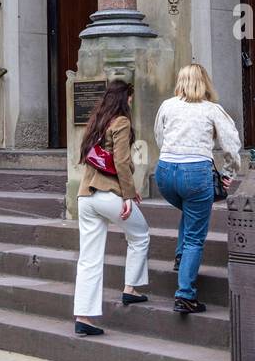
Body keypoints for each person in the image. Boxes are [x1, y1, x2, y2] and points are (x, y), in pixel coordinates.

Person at [155, 63, 241, 315]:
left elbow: (159, 137)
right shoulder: (212, 110)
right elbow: (232, 146)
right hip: (196, 173)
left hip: (165, 172)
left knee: (190, 213)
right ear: (205, 82)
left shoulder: (167, 106)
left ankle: (182, 256)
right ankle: (185, 295)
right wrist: (228, 175)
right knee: (195, 236)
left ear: (180, 81)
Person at [73, 81, 150, 337]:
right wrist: (128, 195)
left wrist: (129, 191)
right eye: (130, 97)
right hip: (108, 195)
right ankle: (131, 288)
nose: (131, 102)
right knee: (140, 234)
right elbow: (121, 160)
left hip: (86, 196)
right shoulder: (121, 122)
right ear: (123, 98)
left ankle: (84, 317)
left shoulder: (96, 121)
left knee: (89, 259)